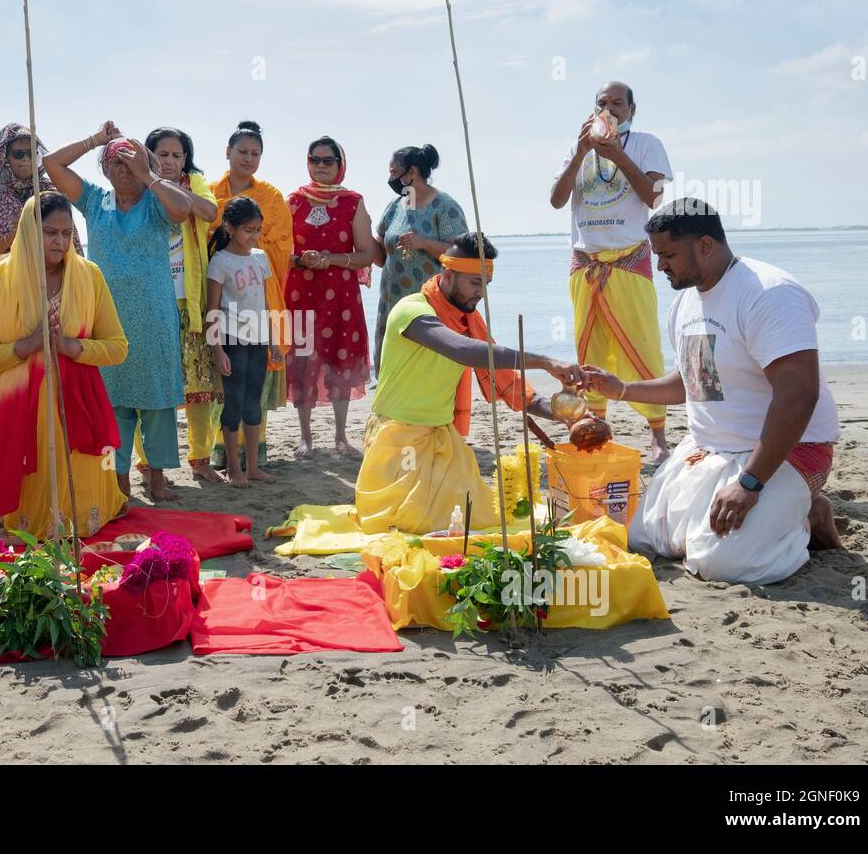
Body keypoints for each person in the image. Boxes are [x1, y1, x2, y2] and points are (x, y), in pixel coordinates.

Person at [584, 198, 841, 585]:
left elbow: (799, 394)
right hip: (710, 448)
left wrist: (750, 484)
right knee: (644, 538)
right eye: (657, 254)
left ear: (705, 245)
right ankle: (790, 512)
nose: (659, 266)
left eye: (668, 254)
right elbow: (696, 380)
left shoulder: (769, 294)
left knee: (721, 563)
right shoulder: (685, 302)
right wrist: (622, 389)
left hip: (786, 451)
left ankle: (805, 518)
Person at [359, 231, 584, 535]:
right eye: (475, 283)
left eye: (485, 285)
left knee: (478, 521)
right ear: (448, 274)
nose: (481, 294)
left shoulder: (469, 322)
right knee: (416, 527)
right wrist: (546, 361)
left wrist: (564, 412)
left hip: (443, 440)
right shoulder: (412, 311)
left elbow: (509, 384)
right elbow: (463, 351)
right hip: (398, 443)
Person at [43, 122, 197, 503]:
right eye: (116, 161)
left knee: (158, 403)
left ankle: (158, 479)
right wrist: (95, 140)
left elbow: (184, 209)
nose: (123, 168)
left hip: (155, 317)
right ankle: (121, 480)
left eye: (131, 161)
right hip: (106, 320)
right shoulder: (95, 200)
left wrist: (149, 173)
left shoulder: (157, 202)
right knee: (113, 404)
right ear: (105, 169)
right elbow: (50, 165)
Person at [0, 191, 128, 538]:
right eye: (50, 232)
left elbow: (117, 348)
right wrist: (26, 347)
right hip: (17, 413)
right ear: (27, 232)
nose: (60, 241)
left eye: (67, 233)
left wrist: (71, 347)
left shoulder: (89, 276)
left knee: (80, 523)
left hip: (77, 411)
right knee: (26, 522)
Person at [550, 80, 672, 463]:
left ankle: (658, 435)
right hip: (585, 262)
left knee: (643, 345)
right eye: (602, 103)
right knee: (590, 349)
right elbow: (556, 200)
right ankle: (597, 427)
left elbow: (653, 198)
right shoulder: (578, 148)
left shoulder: (646, 143)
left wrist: (617, 154)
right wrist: (583, 150)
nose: (610, 108)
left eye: (618, 103)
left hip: (628, 259)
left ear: (631, 111)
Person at [139, 126, 225, 484]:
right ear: (149, 156)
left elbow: (207, 212)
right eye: (163, 154)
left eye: (178, 155)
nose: (170, 161)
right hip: (149, 302)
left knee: (199, 389)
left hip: (189, 303)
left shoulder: (197, 183)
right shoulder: (136, 188)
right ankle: (148, 466)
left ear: (186, 159)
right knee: (149, 388)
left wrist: (175, 191)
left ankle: (201, 460)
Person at [285, 136, 379, 458]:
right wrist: (302, 260)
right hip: (300, 294)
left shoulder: (353, 201)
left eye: (328, 161)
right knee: (302, 361)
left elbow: (366, 255)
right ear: (307, 162)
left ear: (340, 166)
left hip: (340, 297)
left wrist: (331, 259)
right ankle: (305, 438)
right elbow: (280, 252)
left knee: (341, 360)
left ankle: (341, 436)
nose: (321, 166)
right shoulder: (294, 201)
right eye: (315, 159)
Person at [209, 121, 292, 470]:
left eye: (255, 153)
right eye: (242, 152)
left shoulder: (271, 197)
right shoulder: (209, 192)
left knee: (254, 388)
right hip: (225, 305)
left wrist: (256, 242)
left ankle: (254, 455)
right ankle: (222, 452)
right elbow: (202, 237)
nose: (248, 159)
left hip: (260, 300)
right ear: (227, 152)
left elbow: (283, 243)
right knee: (227, 388)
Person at [0, 123, 57, 417]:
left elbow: (70, 246)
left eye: (32, 152)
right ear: (2, 156)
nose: (25, 159)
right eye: (18, 153)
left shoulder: (50, 194)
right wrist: (16, 233)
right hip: (4, 295)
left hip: (49, 291)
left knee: (47, 376)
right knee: (7, 370)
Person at [372, 143, 467, 376]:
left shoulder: (445, 206)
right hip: (392, 300)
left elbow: (461, 255)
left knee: (425, 364)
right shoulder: (395, 206)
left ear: (412, 172)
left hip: (429, 303)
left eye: (395, 173)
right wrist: (360, 228)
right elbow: (381, 257)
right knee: (392, 363)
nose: (391, 179)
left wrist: (423, 242)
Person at [206, 197, 282, 487]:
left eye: (257, 230)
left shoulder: (260, 258)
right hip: (232, 341)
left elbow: (264, 303)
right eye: (248, 230)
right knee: (234, 404)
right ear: (229, 227)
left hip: (259, 340)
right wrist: (218, 350)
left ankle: (252, 467)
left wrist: (274, 340)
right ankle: (233, 469)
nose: (254, 236)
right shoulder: (220, 262)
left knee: (253, 404)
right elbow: (212, 310)